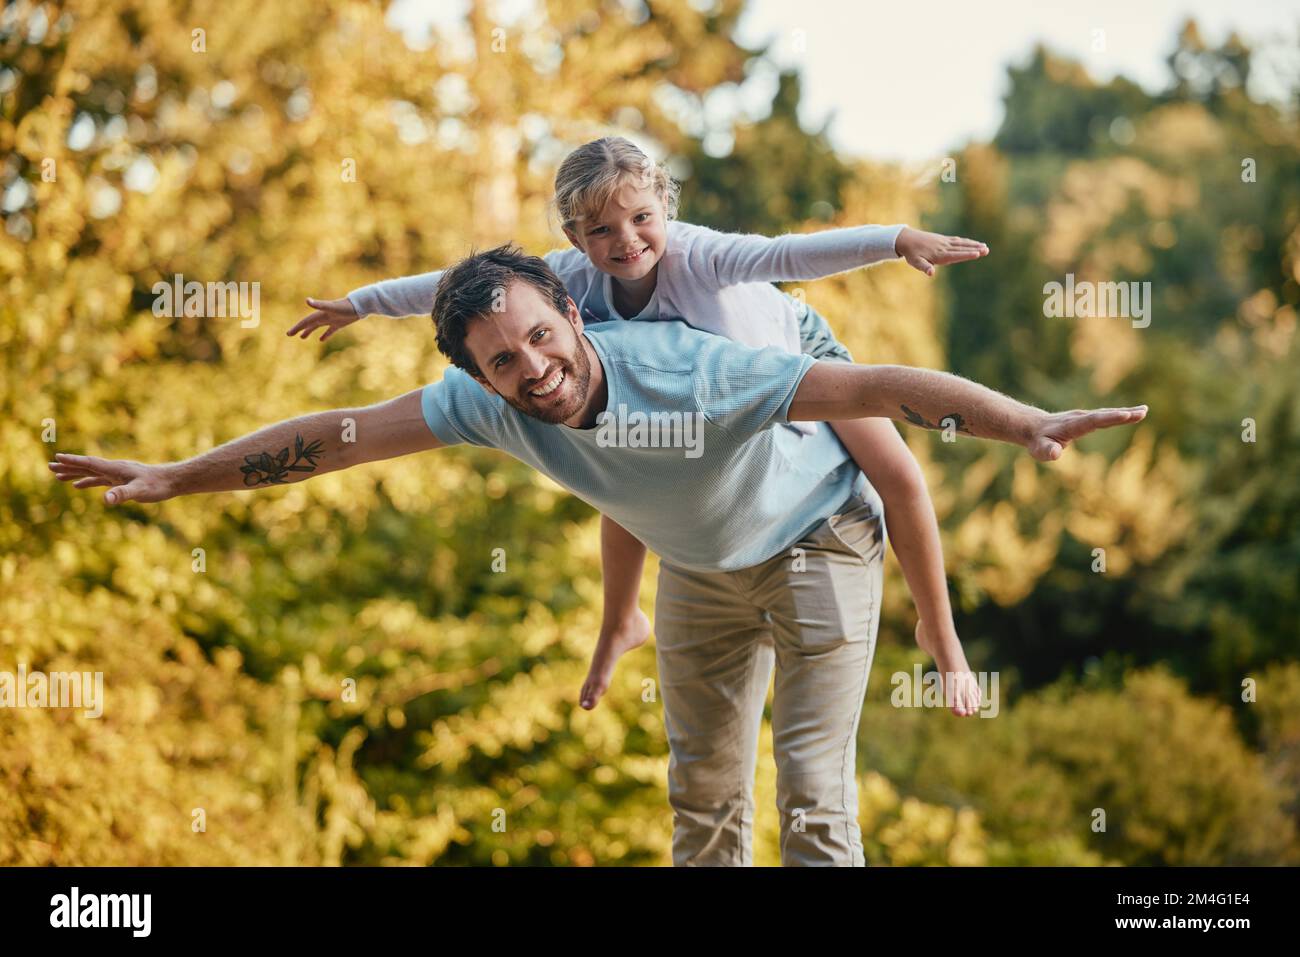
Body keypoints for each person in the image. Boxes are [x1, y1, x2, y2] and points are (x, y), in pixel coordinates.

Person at [52, 245, 1148, 866]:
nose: (532, 371)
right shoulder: (484, 409)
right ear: (477, 378)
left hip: (820, 537)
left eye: (539, 337)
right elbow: (331, 439)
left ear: (572, 314)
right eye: (501, 362)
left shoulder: (693, 368)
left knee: (811, 793)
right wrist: (174, 476)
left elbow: (881, 391)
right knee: (702, 792)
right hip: (702, 572)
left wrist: (1026, 421)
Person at [288, 136, 991, 715]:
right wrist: (362, 303)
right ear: (574, 237)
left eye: (642, 219)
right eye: (602, 230)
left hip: (792, 358)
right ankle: (623, 619)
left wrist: (899, 240)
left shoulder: (703, 255)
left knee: (895, 474)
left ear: (666, 208)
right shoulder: (568, 280)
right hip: (679, 407)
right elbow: (447, 289)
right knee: (624, 468)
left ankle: (940, 628)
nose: (627, 242)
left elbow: (790, 253)